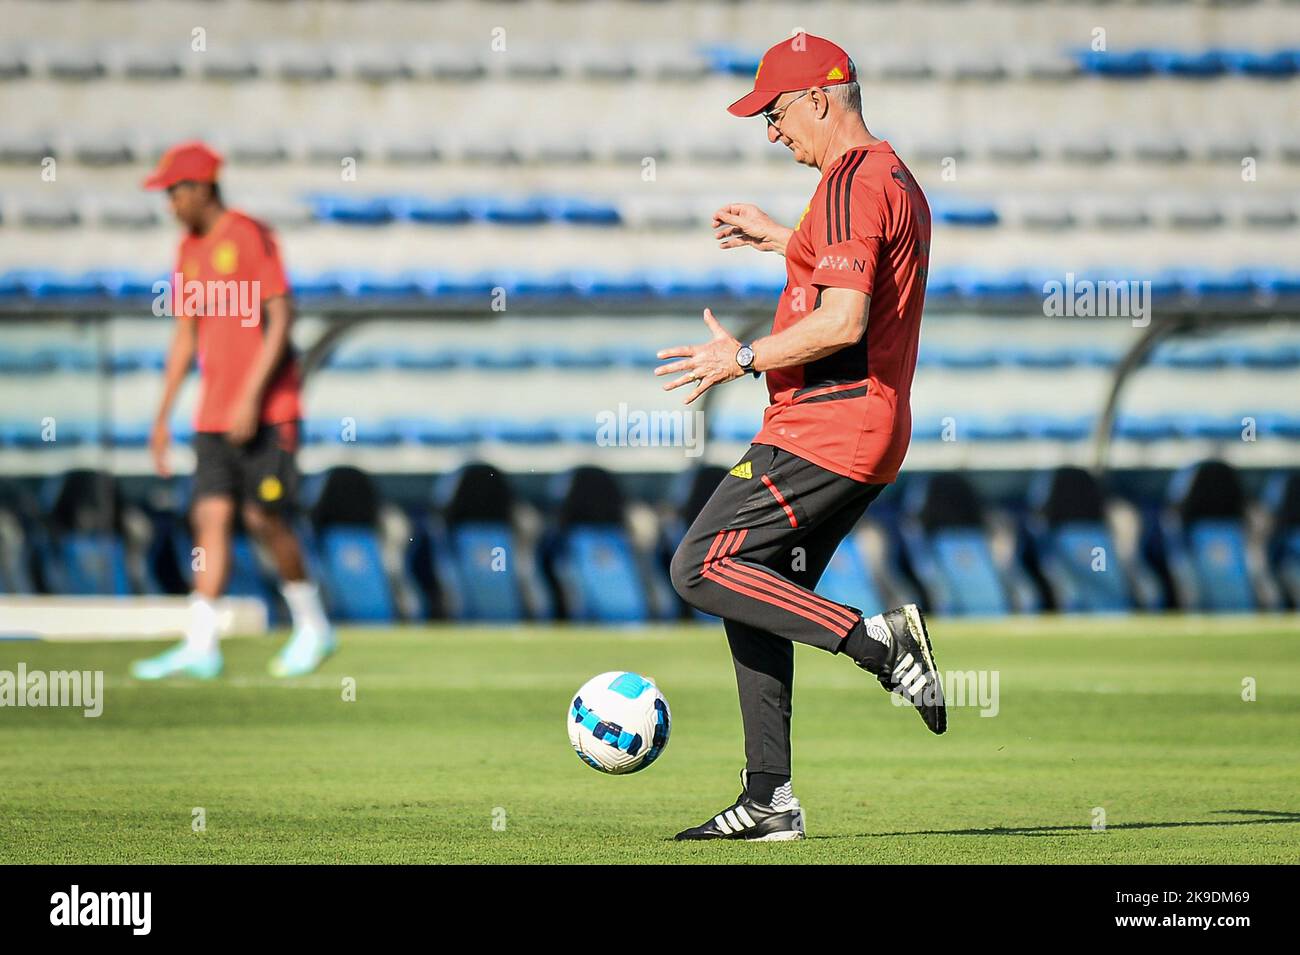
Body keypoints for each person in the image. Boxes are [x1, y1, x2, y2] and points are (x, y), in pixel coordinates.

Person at [655, 35, 945, 841]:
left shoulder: (852, 182)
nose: (772, 132)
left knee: (700, 564)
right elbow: (867, 275)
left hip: (829, 423)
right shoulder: (881, 178)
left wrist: (739, 356)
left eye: (776, 113)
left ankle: (877, 641)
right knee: (756, 593)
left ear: (820, 99)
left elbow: (846, 318)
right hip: (859, 426)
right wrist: (786, 239)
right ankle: (768, 798)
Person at [130, 141, 335, 680]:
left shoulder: (247, 236)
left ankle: (313, 626)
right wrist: (163, 413)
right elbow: (185, 334)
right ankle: (202, 643)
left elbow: (281, 316)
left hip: (267, 412)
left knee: (263, 517)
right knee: (210, 517)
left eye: (174, 192)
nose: (169, 204)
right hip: (214, 416)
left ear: (200, 189)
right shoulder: (189, 250)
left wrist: (251, 396)